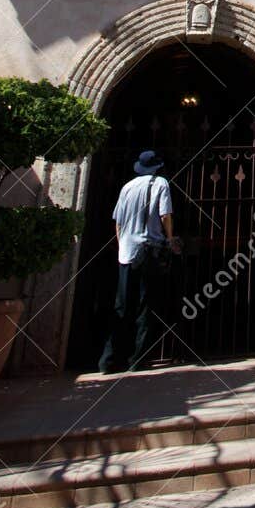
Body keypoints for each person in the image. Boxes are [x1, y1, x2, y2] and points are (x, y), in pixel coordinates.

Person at [98, 150, 181, 374]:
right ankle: (137, 358)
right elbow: (165, 215)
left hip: (126, 253)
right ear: (156, 167)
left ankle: (108, 360)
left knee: (122, 305)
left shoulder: (127, 187)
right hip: (149, 250)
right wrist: (170, 238)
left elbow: (117, 222)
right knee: (146, 306)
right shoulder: (160, 183)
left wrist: (122, 245)